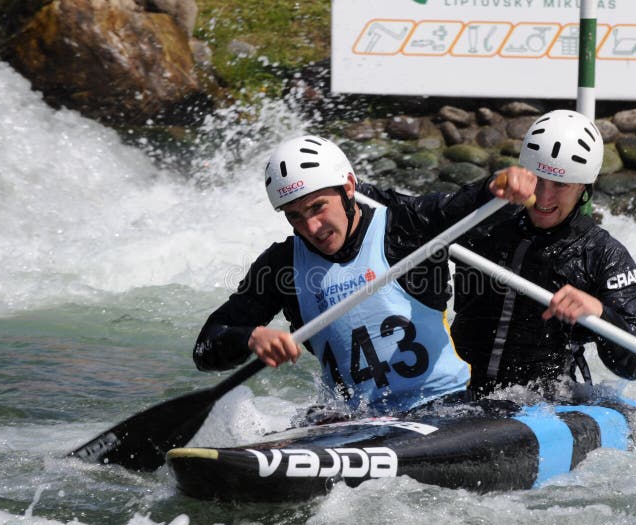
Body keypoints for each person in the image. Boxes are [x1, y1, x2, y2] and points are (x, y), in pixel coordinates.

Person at [192, 134, 535, 415]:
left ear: (349, 187)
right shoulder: (281, 265)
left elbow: (461, 206)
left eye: (317, 207)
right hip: (351, 418)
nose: (311, 227)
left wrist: (499, 183)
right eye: (295, 216)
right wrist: (252, 337)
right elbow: (206, 346)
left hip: (443, 407)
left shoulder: (403, 225)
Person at [450, 109, 636, 398]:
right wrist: (485, 192)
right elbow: (414, 225)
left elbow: (635, 364)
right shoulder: (484, 222)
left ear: (583, 187)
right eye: (538, 180)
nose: (543, 198)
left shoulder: (604, 255)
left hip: (542, 403)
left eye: (560, 185)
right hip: (456, 392)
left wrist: (600, 313)